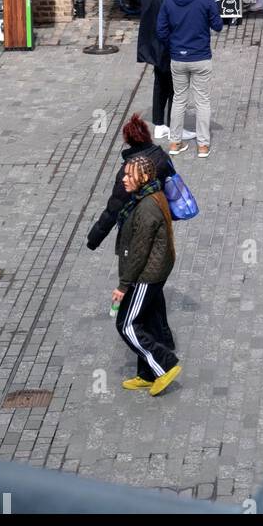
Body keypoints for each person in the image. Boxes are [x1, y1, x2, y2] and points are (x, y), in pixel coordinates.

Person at [112, 153, 181, 395]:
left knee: (127, 324)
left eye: (129, 175)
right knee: (146, 322)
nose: (124, 180)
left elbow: (138, 253)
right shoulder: (147, 196)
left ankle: (164, 365)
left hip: (147, 275)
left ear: (143, 177)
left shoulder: (147, 208)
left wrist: (123, 286)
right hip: (155, 270)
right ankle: (146, 374)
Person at [156, 0, 223, 159]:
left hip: (178, 57)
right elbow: (217, 25)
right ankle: (203, 145)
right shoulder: (206, 0)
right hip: (200, 56)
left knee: (179, 99)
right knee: (202, 101)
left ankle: (175, 142)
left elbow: (160, 30)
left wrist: (174, 45)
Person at [87, 114, 176, 252]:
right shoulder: (162, 156)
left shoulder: (129, 171)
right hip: (158, 215)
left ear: (128, 140)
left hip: (135, 223)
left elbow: (114, 209)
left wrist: (94, 239)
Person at [136, 0, 191, 144]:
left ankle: (159, 125)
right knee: (175, 87)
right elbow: (173, 20)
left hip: (153, 43)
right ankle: (174, 126)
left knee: (160, 84)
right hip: (167, 45)